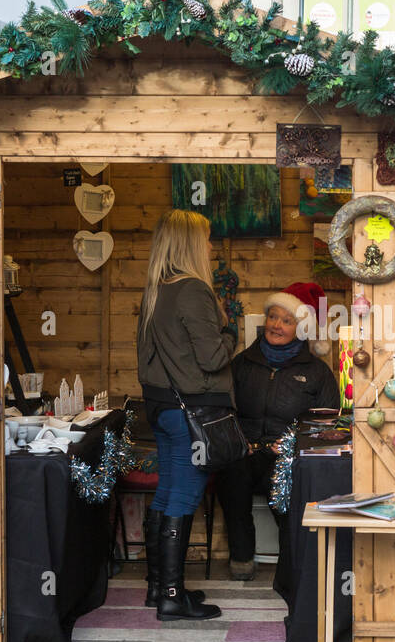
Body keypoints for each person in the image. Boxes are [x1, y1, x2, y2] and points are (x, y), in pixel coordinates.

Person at [136, 209, 236, 621]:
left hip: (162, 408)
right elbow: (212, 357)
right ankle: (173, 597)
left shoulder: (156, 289)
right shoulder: (193, 289)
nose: (211, 247)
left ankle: (159, 587)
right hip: (191, 412)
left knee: (165, 493)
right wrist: (232, 333)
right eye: (207, 239)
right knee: (183, 496)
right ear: (192, 244)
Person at [218, 282, 340, 581]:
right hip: (245, 450)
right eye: (273, 317)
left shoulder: (316, 371)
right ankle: (242, 558)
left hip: (286, 455)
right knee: (231, 477)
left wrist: (289, 447)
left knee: (285, 492)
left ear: (301, 328)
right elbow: (223, 409)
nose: (276, 325)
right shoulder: (242, 363)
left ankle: (291, 567)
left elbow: (325, 422)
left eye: (287, 320)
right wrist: (238, 442)